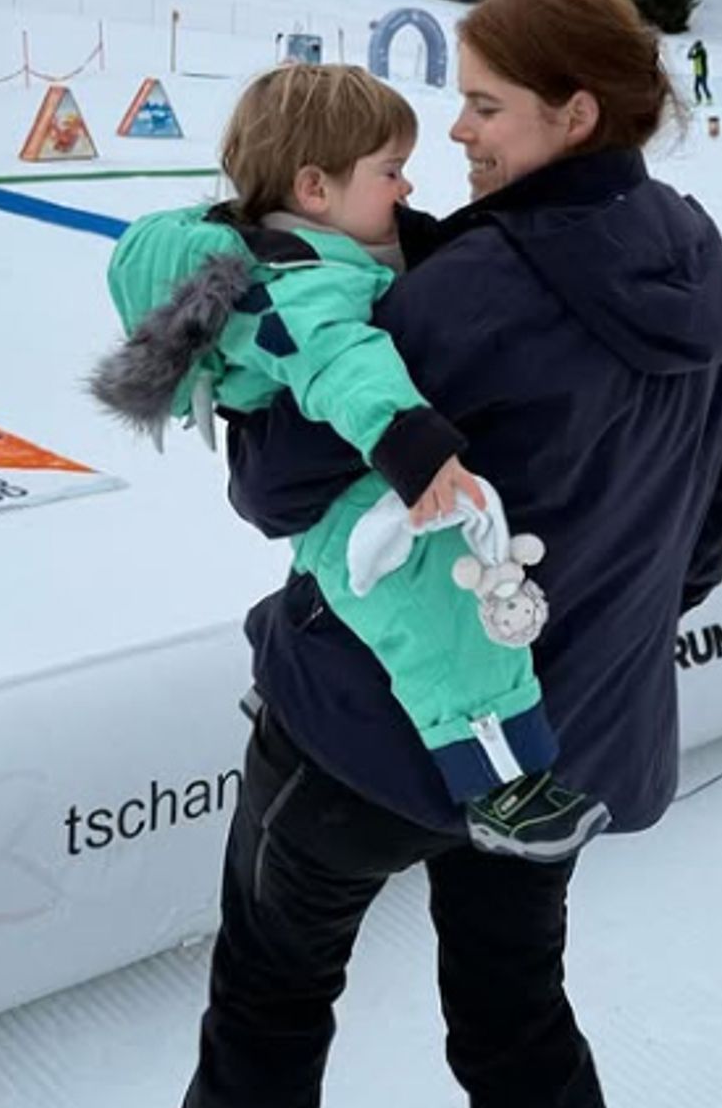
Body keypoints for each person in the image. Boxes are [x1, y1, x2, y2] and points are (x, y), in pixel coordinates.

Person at [174, 0, 722, 1108]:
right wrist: (629, 604)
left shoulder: (471, 289)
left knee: (269, 1000)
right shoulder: (690, 250)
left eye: (486, 105)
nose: (455, 131)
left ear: (577, 115)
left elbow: (276, 492)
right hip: (557, 745)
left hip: (367, 738)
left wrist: (258, 380)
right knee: (515, 1019)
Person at [92, 64, 604, 861]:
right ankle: (503, 782)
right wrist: (415, 447)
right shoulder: (298, 285)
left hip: (345, 481)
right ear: (314, 188)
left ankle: (296, 695)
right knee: (438, 617)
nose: (406, 190)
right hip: (355, 495)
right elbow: (343, 363)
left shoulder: (315, 247)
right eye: (390, 171)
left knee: (431, 600)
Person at [688, 38, 712, 104]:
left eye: (697, 46)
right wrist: (691, 49)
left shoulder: (702, 52)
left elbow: (693, 56)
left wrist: (692, 49)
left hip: (703, 72)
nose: (696, 48)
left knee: (704, 86)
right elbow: (689, 57)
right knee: (696, 87)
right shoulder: (698, 52)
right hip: (698, 72)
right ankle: (699, 99)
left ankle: (709, 98)